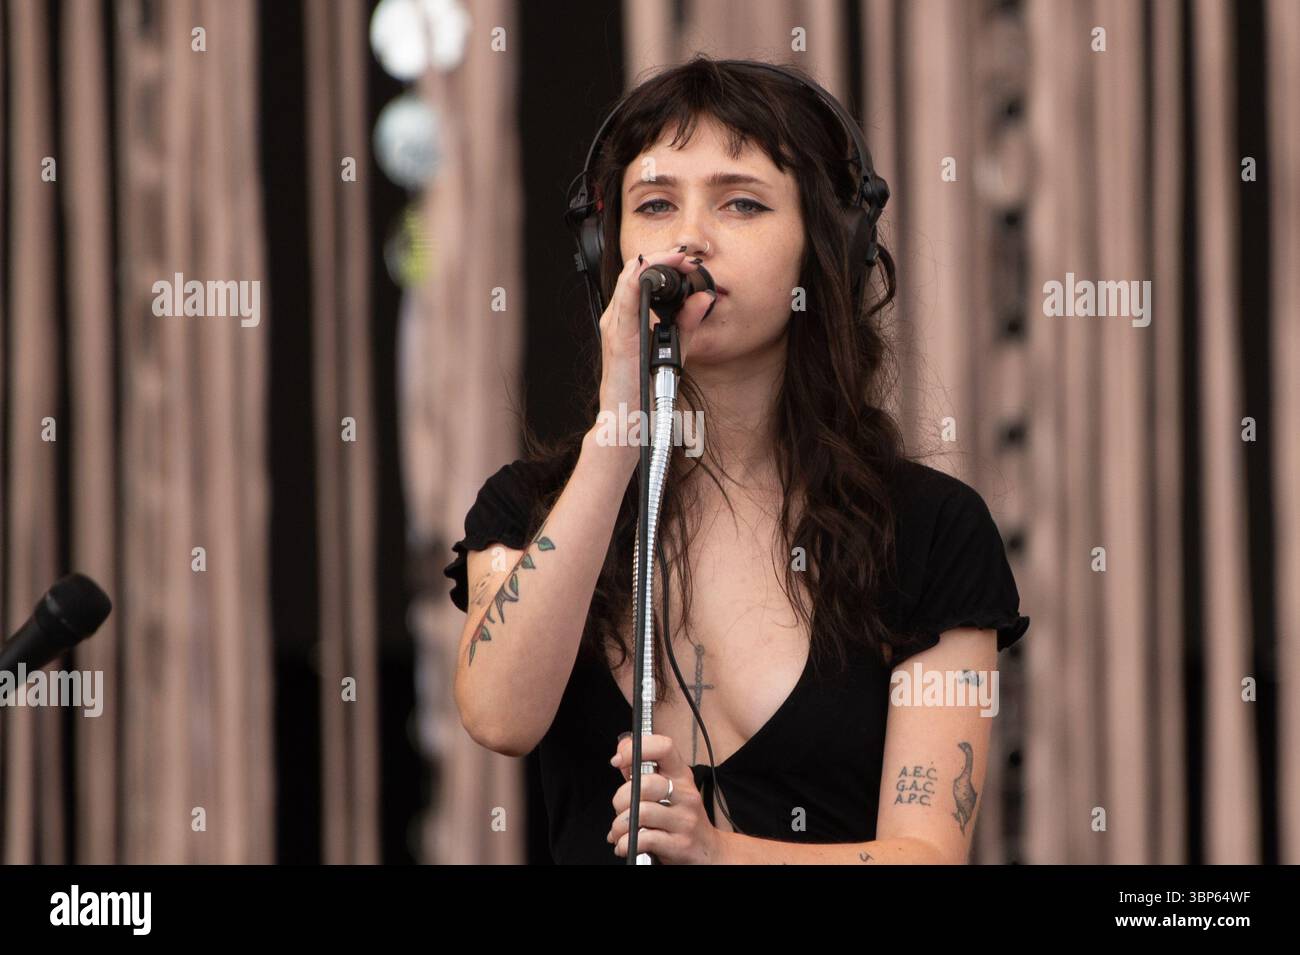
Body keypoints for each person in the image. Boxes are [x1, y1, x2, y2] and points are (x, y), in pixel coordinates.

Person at [444, 55, 1029, 864]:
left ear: (828, 246)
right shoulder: (526, 507)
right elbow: (499, 716)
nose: (689, 236)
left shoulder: (930, 531)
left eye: (742, 202)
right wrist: (618, 434)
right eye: (655, 204)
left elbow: (927, 853)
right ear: (605, 248)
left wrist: (720, 853)